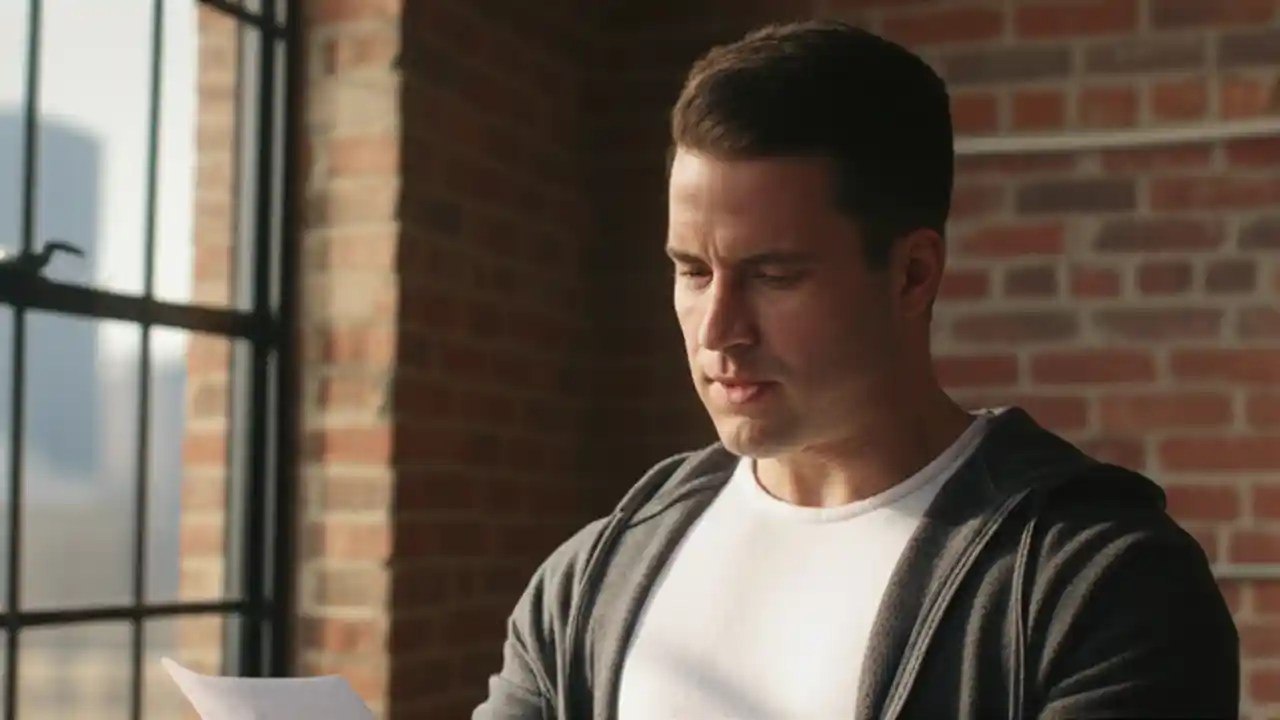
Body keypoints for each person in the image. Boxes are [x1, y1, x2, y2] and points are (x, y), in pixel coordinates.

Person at [474, 19, 1239, 720]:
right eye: (693, 271)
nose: (719, 330)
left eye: (774, 276)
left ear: (911, 274)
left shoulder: (1098, 589)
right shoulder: (589, 583)